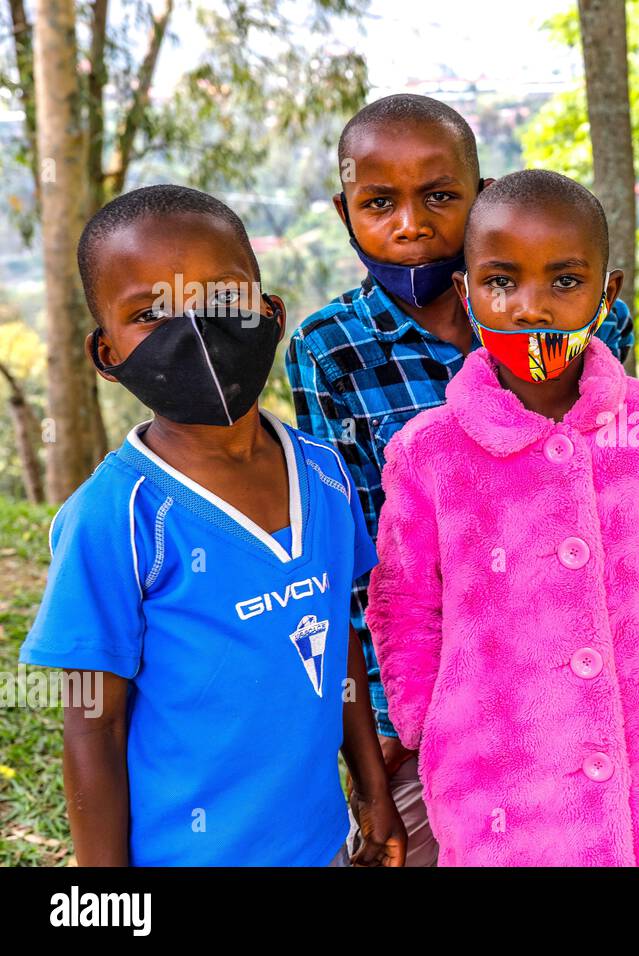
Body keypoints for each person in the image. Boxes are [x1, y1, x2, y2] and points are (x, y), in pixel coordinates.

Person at [285, 96, 634, 864]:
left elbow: (615, 493)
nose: (411, 224)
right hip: (443, 681)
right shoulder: (329, 349)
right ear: (346, 212)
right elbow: (358, 550)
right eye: (380, 203)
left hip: (578, 662)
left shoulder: (581, 316)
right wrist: (389, 710)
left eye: (441, 196)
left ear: (483, 195)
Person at [366, 169, 639, 865]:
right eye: (502, 281)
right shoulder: (426, 452)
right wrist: (432, 724)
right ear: (467, 290)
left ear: (608, 294)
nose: (531, 307)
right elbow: (404, 605)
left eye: (565, 282)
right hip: (492, 793)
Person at [20, 185, 404, 866]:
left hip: (322, 848)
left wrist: (373, 792)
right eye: (147, 312)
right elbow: (92, 726)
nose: (193, 328)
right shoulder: (117, 517)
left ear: (271, 312)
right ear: (105, 354)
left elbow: (333, 635)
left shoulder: (322, 470)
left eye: (221, 297)